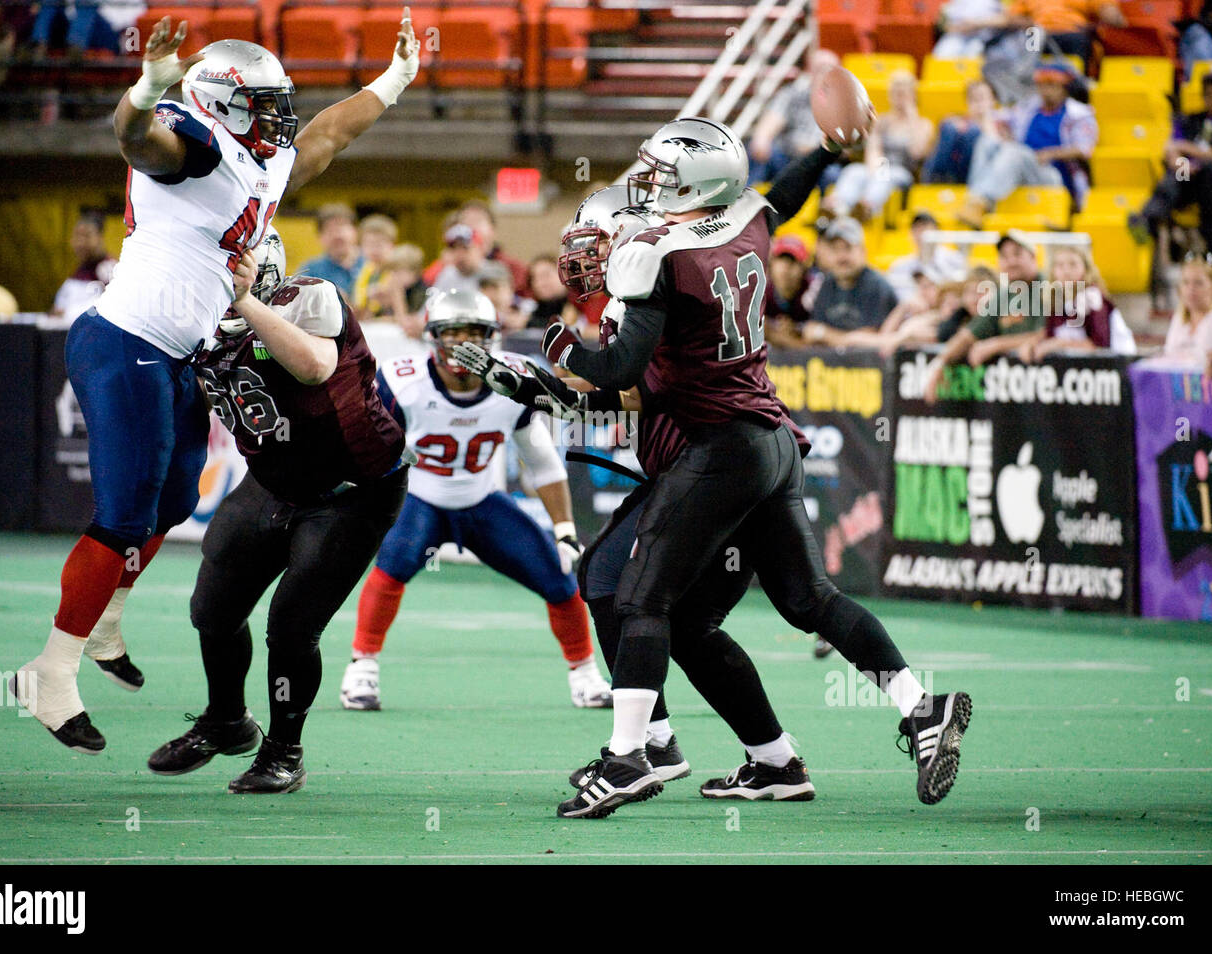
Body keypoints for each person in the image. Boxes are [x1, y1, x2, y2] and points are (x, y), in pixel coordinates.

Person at [9, 11, 422, 754]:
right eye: (264, 105)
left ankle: (105, 624)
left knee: (172, 500)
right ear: (224, 102)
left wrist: (395, 80)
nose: (280, 118)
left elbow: (330, 135)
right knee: (126, 513)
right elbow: (137, 139)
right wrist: (147, 86)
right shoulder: (193, 143)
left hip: (177, 355)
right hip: (126, 340)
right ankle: (50, 670)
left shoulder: (260, 159)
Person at [539, 117, 972, 818]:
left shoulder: (657, 253)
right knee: (808, 600)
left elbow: (619, 368)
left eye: (659, 172)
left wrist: (561, 348)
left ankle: (629, 759)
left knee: (641, 597)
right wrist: (830, 146)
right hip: (771, 440)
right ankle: (916, 708)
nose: (646, 182)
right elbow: (784, 195)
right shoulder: (744, 221)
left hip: (719, 450)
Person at [455, 185, 818, 799]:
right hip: (711, 465)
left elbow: (623, 391)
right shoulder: (661, 277)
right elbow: (617, 397)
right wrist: (529, 384)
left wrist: (548, 371)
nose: (583, 258)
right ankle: (767, 759)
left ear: (628, 234)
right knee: (682, 622)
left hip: (708, 468)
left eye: (594, 243)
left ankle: (647, 750)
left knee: (617, 587)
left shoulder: (658, 278)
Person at [147, 233, 410, 792]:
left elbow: (315, 367)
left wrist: (243, 301)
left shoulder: (309, 295)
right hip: (272, 481)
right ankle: (226, 722)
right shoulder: (197, 325)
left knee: (291, 628)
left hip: (353, 489)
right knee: (211, 611)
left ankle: (284, 752)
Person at [339, 288, 611, 712]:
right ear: (433, 337)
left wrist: (564, 529)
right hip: (422, 498)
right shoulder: (401, 381)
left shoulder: (513, 379)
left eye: (475, 334)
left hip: (482, 500)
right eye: (454, 333)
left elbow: (540, 459)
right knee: (390, 568)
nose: (464, 345)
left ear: (492, 338)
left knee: (559, 578)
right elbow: (363, 449)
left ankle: (585, 674)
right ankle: (361, 668)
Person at [958, 63, 1098, 227]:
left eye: (1051, 85)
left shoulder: (1078, 113)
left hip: (1054, 175)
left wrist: (1050, 154)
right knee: (987, 142)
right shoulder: (1029, 108)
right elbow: (999, 117)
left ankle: (981, 201)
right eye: (1041, 84)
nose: (1045, 89)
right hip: (1023, 168)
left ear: (1064, 87)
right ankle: (975, 202)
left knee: (1015, 153)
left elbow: (1084, 148)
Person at [923, 231, 1047, 403]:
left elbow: (1046, 335)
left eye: (1017, 254)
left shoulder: (1049, 290)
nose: (1011, 261)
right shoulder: (1005, 296)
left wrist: (995, 345)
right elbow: (969, 334)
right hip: (1012, 396)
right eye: (1004, 256)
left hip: (1046, 392)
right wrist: (940, 364)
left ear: (1033, 257)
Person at [1129, 68, 1212, 263]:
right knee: (1177, 173)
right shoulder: (1189, 120)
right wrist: (1179, 163)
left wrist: (1189, 148)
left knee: (1209, 171)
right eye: (1209, 94)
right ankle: (1147, 221)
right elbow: (1171, 149)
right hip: (1189, 177)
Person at [823, 70, 934, 222]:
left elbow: (917, 152)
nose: (899, 98)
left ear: (913, 96)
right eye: (895, 93)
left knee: (884, 177)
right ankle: (836, 206)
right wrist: (875, 170)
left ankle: (867, 207)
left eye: (903, 94)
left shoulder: (923, 124)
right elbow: (873, 149)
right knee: (854, 171)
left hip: (902, 172)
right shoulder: (882, 122)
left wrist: (911, 116)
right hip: (877, 167)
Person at [1016, 245, 1136, 361]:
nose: (1066, 271)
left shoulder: (1093, 298)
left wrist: (1059, 344)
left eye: (1073, 264)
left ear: (1086, 268)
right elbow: (1049, 335)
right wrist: (1031, 344)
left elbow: (1099, 346)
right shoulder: (1057, 300)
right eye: (1060, 265)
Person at [747, 48, 841, 185]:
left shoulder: (843, 103)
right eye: (820, 69)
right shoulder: (792, 94)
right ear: (809, 70)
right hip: (787, 158)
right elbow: (771, 121)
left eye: (831, 70)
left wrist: (816, 151)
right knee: (757, 151)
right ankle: (742, 200)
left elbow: (846, 146)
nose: (825, 74)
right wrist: (761, 140)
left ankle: (830, 206)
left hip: (819, 161)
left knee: (834, 173)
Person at [801, 216, 899, 344]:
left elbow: (870, 340)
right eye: (835, 249)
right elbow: (810, 331)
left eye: (848, 248)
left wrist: (825, 334)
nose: (841, 257)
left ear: (863, 251)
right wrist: (843, 338)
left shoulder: (878, 287)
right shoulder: (827, 284)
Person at [1158, 256, 1212, 368]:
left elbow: (1211, 361)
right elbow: (1169, 354)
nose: (1191, 289)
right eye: (1186, 282)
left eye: (1198, 283)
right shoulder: (1179, 318)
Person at [922, 80, 999, 185]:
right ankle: (936, 179)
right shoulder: (956, 123)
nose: (978, 103)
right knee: (949, 127)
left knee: (973, 133)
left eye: (981, 98)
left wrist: (985, 120)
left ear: (993, 100)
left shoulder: (1002, 122)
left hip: (987, 169)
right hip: (957, 169)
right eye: (973, 99)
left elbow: (997, 147)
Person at [1004, 0, 1125, 65]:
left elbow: (1112, 17)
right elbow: (1013, 18)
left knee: (1078, 40)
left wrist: (1108, 12)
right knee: (1028, 41)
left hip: (1072, 31)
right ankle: (1027, 84)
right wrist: (1032, 23)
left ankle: (1077, 86)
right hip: (1039, 33)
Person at [886, 210, 968, 302]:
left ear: (937, 230)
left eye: (925, 227)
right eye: (916, 228)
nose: (921, 233)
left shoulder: (955, 260)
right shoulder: (899, 267)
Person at [50, 211, 117, 323]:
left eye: (87, 236)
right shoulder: (77, 273)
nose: (80, 243)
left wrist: (68, 313)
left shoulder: (110, 270)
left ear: (100, 237)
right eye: (77, 236)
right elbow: (57, 309)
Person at [456, 199, 531, 298]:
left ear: (492, 230)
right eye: (465, 222)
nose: (471, 226)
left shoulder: (514, 269)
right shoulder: (449, 268)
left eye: (477, 220)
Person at [297, 203, 362, 298]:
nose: (337, 235)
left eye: (341, 228)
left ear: (355, 231)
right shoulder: (310, 272)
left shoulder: (375, 263)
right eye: (330, 230)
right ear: (320, 237)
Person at [350, 213, 398, 318]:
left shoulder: (398, 270)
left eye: (380, 244)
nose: (374, 249)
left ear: (392, 245)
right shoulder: (365, 271)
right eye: (369, 244)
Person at [427, 223, 487, 294]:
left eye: (465, 248)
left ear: (480, 249)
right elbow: (431, 303)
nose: (459, 254)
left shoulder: (492, 274)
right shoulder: (447, 274)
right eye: (454, 248)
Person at [933, 0, 1008, 58]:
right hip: (956, 37)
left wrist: (977, 24)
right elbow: (942, 22)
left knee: (975, 51)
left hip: (987, 40)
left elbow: (1009, 20)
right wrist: (953, 28)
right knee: (944, 53)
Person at [526, 254, 570, 329]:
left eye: (546, 275)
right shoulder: (531, 310)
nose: (539, 284)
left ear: (564, 274)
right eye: (534, 278)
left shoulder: (580, 304)